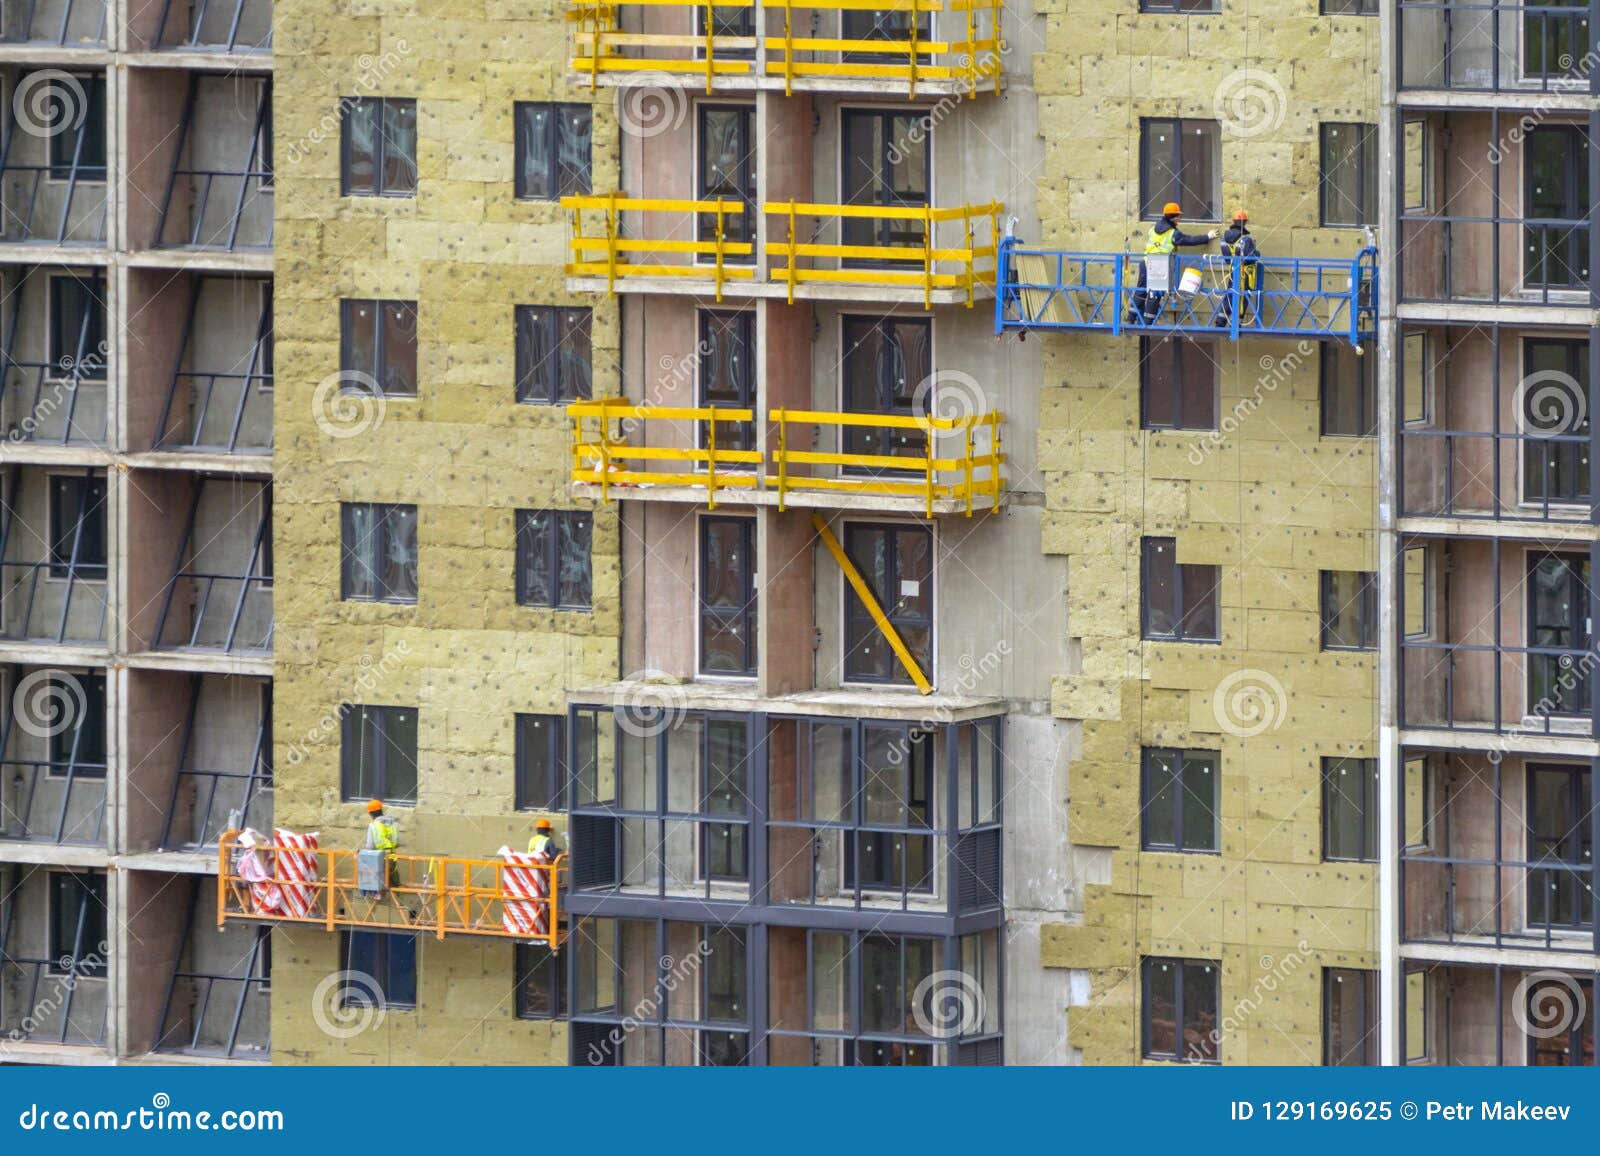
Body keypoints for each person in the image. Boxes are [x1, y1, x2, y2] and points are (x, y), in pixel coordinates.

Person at [1128, 202, 1218, 324]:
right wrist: (1207, 236)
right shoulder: (1172, 234)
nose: (1179, 219)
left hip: (1146, 262)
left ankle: (1131, 318)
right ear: (1174, 217)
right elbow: (1190, 240)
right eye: (1178, 216)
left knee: (1141, 291)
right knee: (1155, 294)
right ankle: (1147, 323)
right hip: (1159, 266)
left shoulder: (1153, 229)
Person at [1214, 209, 1260, 327]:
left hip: (1232, 270)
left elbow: (1226, 257)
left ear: (1234, 221)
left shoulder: (1224, 239)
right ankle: (1236, 323)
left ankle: (1221, 320)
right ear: (1244, 222)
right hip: (1244, 272)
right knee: (1243, 296)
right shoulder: (1246, 240)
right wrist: (1257, 253)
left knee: (1230, 293)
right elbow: (1253, 257)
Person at [361, 799, 398, 897]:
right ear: (381, 810)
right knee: (391, 882)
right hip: (392, 858)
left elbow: (369, 846)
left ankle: (374, 894)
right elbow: (397, 841)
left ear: (371, 813)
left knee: (365, 867)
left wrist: (362, 852)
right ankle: (395, 899)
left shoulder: (373, 826)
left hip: (379, 859)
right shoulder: (392, 824)